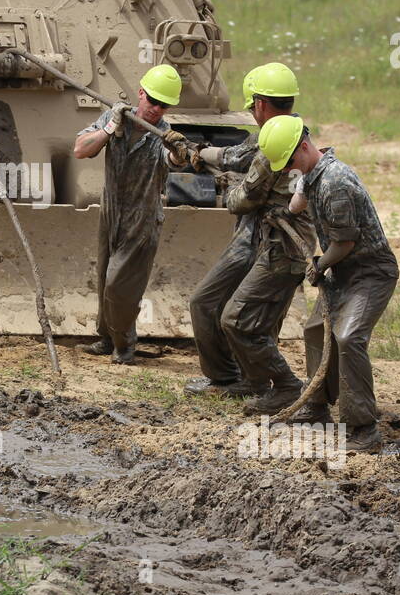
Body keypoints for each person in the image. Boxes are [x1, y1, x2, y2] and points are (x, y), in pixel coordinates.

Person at [258, 116, 400, 452]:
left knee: (348, 337)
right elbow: (298, 203)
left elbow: (345, 243)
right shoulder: (312, 174)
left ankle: (363, 429)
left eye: (290, 161)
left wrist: (320, 266)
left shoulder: (335, 182)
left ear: (304, 147)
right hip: (344, 270)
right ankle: (317, 405)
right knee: (314, 330)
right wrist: (284, 211)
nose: (289, 168)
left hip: (369, 272)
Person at [185, 63, 311, 401]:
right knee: (205, 302)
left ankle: (263, 384)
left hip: (276, 243)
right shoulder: (283, 132)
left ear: (259, 103)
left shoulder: (279, 143)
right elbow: (237, 154)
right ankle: (226, 377)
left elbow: (242, 200)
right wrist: (198, 153)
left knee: (244, 318)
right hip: (251, 237)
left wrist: (229, 187)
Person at [74, 65, 189, 364]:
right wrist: (110, 128)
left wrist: (178, 149)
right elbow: (80, 149)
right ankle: (105, 338)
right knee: (103, 281)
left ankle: (125, 346)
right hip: (111, 213)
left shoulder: (163, 134)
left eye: (164, 105)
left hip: (142, 220)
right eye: (152, 101)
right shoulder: (115, 120)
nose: (156, 109)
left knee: (119, 286)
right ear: (140, 93)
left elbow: (175, 161)